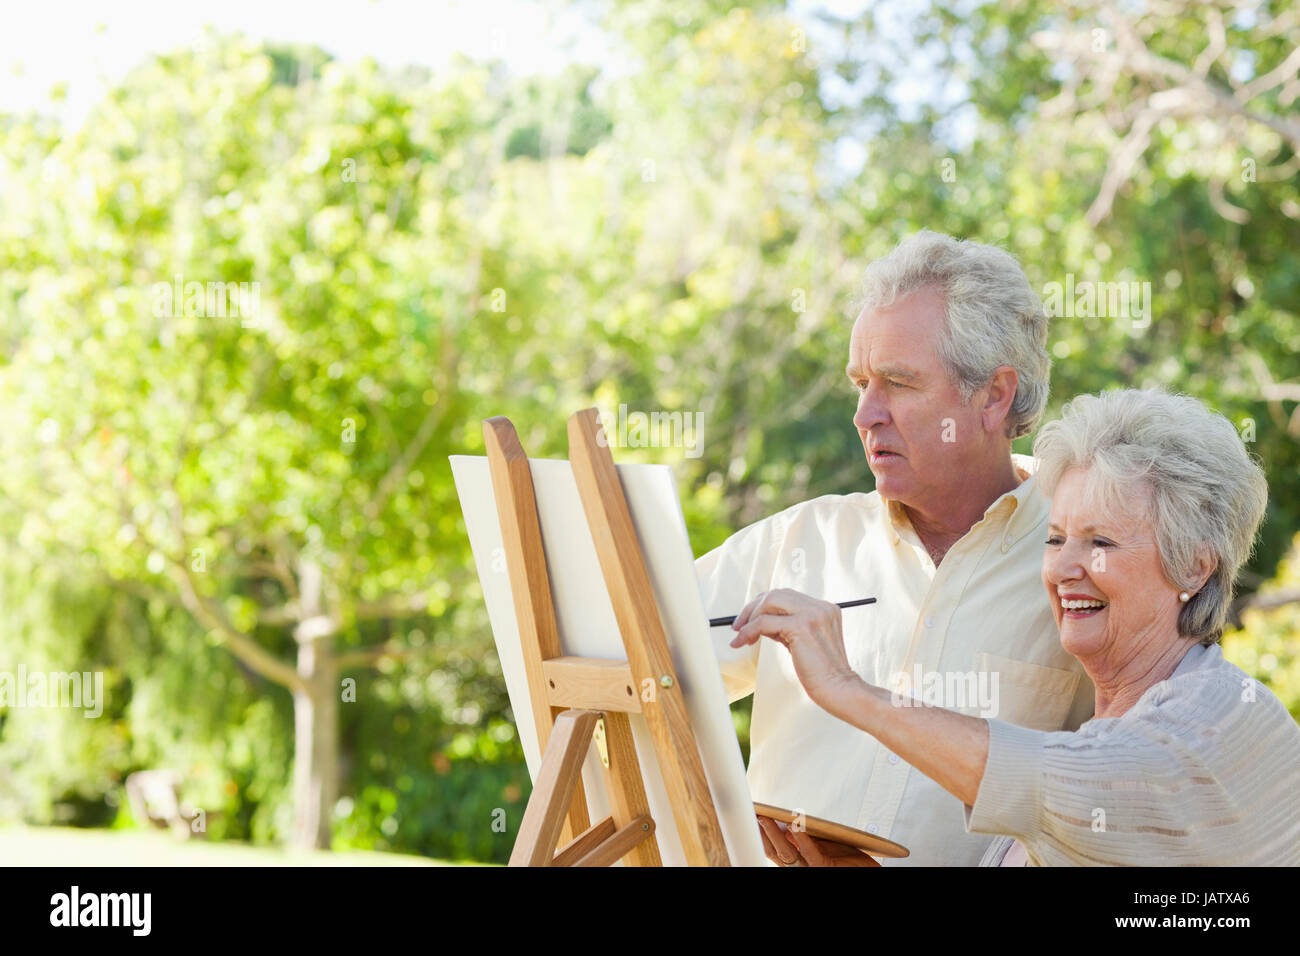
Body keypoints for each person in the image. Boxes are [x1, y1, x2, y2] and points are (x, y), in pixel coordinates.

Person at [732, 388, 1300, 865]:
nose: (1063, 569)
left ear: (1194, 567)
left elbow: (1074, 784)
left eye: (1100, 542)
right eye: (1055, 540)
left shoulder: (1225, 716)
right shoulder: (1092, 732)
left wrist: (851, 692)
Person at [695, 231, 1094, 866]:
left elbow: (1122, 803)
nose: (864, 414)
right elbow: (629, 677)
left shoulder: (1083, 566)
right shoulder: (798, 540)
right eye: (860, 383)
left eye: (898, 384)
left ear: (993, 396)